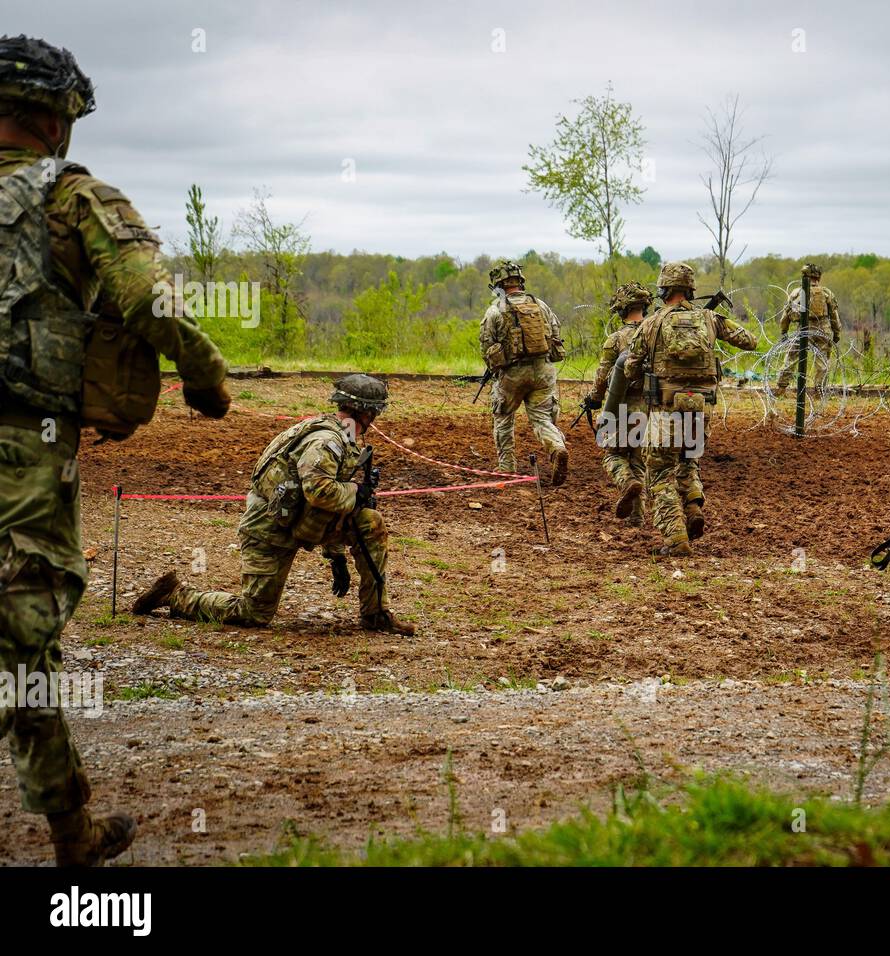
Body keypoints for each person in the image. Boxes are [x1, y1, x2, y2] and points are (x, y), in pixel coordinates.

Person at [0, 35, 230, 865]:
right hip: (23, 450)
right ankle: (72, 831)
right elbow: (149, 299)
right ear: (57, 119)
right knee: (21, 632)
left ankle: (72, 829)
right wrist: (203, 374)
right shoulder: (71, 199)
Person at [131, 375, 415, 636]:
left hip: (301, 519)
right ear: (365, 411)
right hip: (269, 527)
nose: (375, 418)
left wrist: (335, 553)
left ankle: (376, 613)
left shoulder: (342, 434)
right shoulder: (327, 441)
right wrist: (356, 490)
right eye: (374, 412)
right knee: (254, 613)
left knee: (370, 522)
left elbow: (328, 501)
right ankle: (174, 594)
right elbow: (319, 492)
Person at [621, 262, 757, 556]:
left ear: (663, 290)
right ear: (691, 290)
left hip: (665, 412)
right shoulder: (710, 319)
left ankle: (675, 539)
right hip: (701, 412)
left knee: (658, 474)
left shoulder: (651, 323)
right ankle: (693, 505)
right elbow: (750, 341)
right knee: (688, 461)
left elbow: (630, 368)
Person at [479, 260, 568, 483]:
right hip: (543, 371)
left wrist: (496, 368)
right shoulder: (541, 305)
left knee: (503, 417)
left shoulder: (495, 310)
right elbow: (555, 334)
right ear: (520, 282)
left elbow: (487, 346)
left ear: (499, 285)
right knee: (541, 419)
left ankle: (507, 466)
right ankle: (557, 447)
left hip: (513, 374)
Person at [585, 282, 653, 526]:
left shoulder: (615, 340)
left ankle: (626, 483)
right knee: (638, 461)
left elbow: (602, 377)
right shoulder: (656, 334)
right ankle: (637, 516)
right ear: (645, 306)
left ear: (621, 310)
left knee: (612, 455)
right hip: (649, 409)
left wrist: (593, 399)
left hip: (620, 407)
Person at [774, 263, 840, 395]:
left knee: (791, 359)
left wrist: (784, 331)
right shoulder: (827, 293)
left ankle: (781, 388)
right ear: (818, 277)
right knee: (822, 363)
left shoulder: (797, 292)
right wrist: (836, 332)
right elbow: (834, 316)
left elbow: (785, 316)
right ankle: (819, 392)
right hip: (823, 330)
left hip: (803, 329)